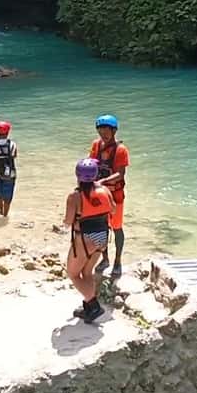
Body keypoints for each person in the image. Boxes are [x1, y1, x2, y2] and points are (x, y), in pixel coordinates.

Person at [63, 159, 114, 323]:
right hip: (102, 237)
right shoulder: (104, 190)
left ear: (77, 175)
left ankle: (94, 305)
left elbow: (68, 221)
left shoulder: (74, 196)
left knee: (72, 273)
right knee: (86, 272)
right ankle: (88, 308)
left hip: (84, 240)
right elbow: (112, 208)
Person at [90, 114, 130, 279]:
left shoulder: (121, 150)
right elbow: (91, 164)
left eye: (106, 130)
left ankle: (118, 261)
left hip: (115, 194)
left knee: (117, 227)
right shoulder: (96, 145)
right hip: (99, 194)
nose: (103, 134)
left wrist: (102, 181)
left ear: (113, 131)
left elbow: (120, 174)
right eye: (101, 130)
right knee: (101, 228)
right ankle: (105, 258)